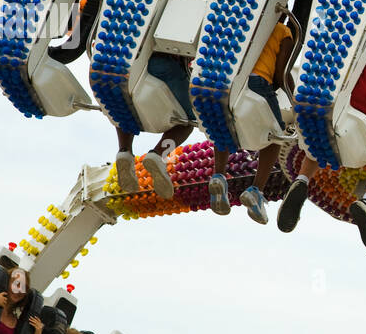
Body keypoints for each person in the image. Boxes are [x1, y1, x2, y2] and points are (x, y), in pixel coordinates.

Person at [276, 0, 366, 253]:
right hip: (363, 110)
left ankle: (302, 181)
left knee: (319, 138)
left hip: (323, 100)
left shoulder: (343, 24)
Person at [209, 12, 296, 223]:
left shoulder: (242, 21)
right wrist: (293, 96)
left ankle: (219, 174)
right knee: (277, 135)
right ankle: (256, 190)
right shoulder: (282, 31)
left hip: (229, 80)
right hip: (259, 84)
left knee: (225, 123)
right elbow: (279, 75)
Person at [113, 53, 195, 200]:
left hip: (121, 64)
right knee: (188, 121)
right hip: (163, 65)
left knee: (123, 106)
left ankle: (124, 150)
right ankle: (157, 154)